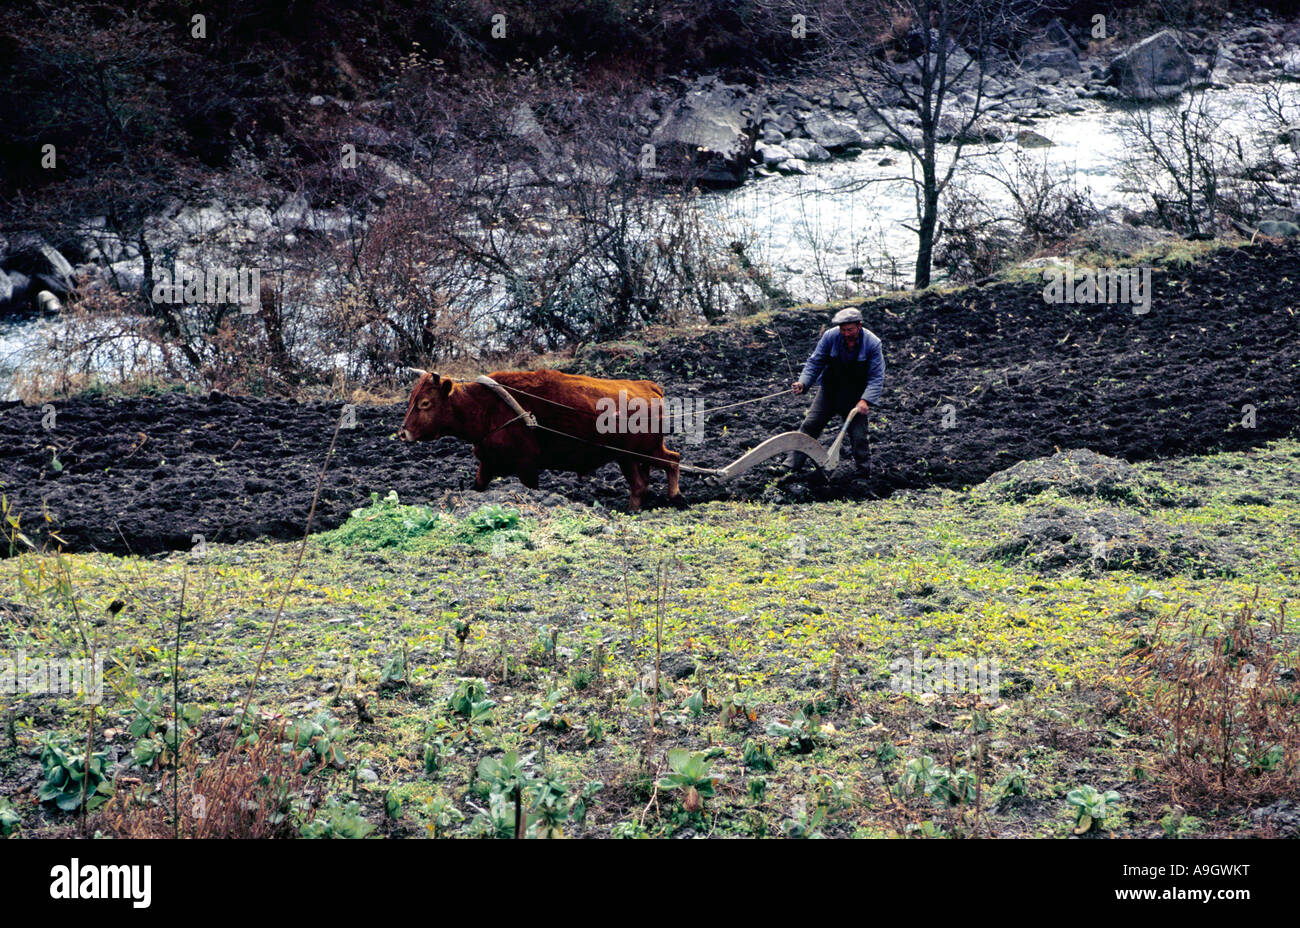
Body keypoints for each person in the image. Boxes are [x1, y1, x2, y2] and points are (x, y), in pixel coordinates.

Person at [786, 307, 884, 475]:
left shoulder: (872, 343)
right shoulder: (830, 337)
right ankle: (791, 465)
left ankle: (864, 472)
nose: (846, 333)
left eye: (850, 330)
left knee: (859, 436)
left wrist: (865, 400)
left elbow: (876, 376)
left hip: (855, 396)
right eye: (843, 330)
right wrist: (803, 383)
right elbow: (815, 362)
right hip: (829, 392)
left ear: (859, 326)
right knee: (810, 426)